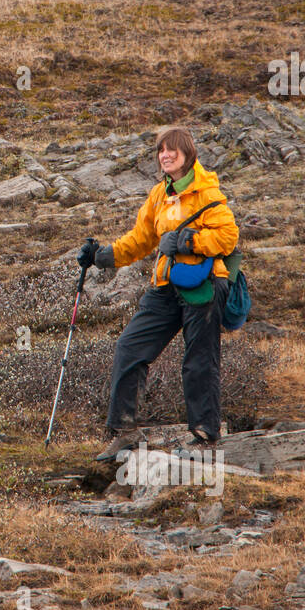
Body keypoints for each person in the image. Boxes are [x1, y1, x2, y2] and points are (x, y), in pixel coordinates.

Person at [76, 126, 239, 462]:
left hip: (204, 285)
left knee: (199, 361)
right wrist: (102, 256)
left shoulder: (207, 192)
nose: (166, 155)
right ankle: (125, 432)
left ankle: (205, 435)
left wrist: (188, 241)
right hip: (166, 285)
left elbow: (228, 237)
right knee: (130, 346)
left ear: (187, 153)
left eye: (172, 150)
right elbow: (140, 239)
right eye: (161, 150)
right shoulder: (158, 195)